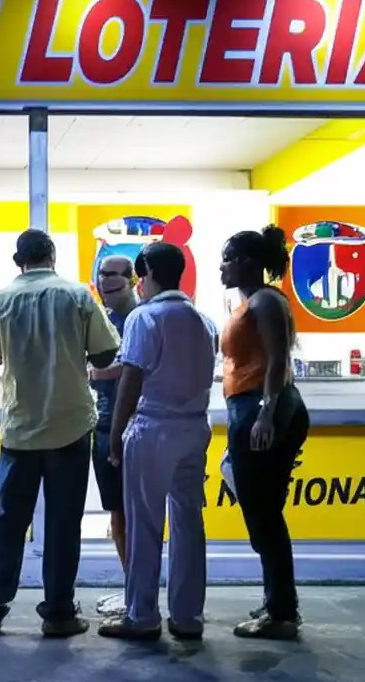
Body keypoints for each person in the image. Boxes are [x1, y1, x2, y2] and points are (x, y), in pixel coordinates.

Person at [0, 230, 120, 637]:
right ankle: (58, 613)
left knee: (6, 522)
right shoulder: (77, 296)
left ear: (17, 260)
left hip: (20, 428)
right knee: (62, 522)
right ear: (52, 256)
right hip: (70, 425)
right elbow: (106, 353)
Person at [98, 242, 217, 642]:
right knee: (188, 522)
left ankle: (142, 614)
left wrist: (115, 435)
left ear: (146, 273)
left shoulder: (145, 317)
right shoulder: (203, 320)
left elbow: (130, 379)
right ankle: (187, 616)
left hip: (153, 427)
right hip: (194, 427)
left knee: (145, 523)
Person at [219, 225, 310, 641]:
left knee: (265, 515)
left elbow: (278, 362)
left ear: (247, 262)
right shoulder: (251, 302)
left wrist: (266, 414)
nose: (222, 265)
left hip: (263, 406)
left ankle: (281, 612)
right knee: (261, 511)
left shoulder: (267, 302)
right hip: (250, 407)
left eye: (228, 257)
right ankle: (279, 602)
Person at [89, 255, 139, 618]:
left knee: (134, 514)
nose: (105, 281)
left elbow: (134, 369)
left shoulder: (143, 318)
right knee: (118, 514)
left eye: (113, 275)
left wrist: (98, 372)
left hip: (135, 426)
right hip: (106, 424)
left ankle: (138, 594)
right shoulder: (102, 320)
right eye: (101, 275)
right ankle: (133, 588)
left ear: (133, 278)